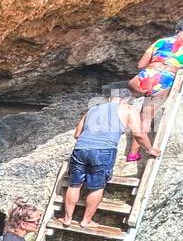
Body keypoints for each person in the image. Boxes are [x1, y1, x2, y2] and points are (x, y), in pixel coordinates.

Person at [61, 94, 159, 228]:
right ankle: (86, 221)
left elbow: (77, 134)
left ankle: (67, 219)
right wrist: (150, 149)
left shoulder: (93, 109)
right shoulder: (128, 110)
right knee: (96, 187)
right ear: (125, 100)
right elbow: (138, 133)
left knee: (75, 184)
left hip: (81, 148)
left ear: (108, 99)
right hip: (103, 150)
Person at [125, 20, 183, 160]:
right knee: (146, 119)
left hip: (143, 78)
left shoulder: (160, 42)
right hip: (163, 80)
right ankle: (133, 154)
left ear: (177, 30)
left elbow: (141, 64)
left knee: (127, 104)